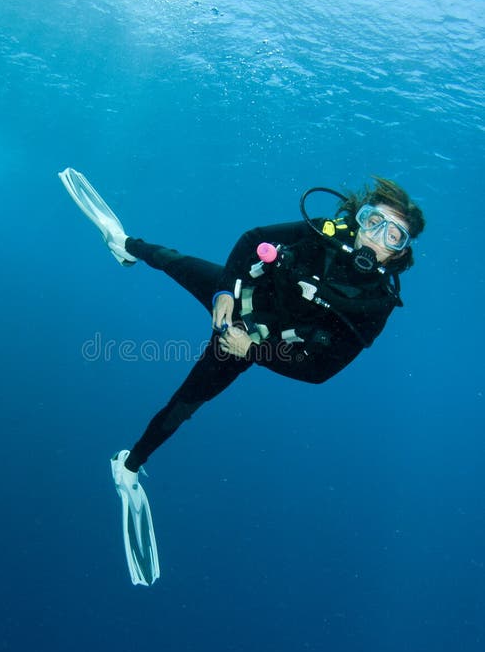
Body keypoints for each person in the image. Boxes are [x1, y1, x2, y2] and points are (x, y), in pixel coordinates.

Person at [59, 168, 425, 586]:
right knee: (172, 261)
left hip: (250, 340)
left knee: (186, 403)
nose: (377, 237)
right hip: (237, 299)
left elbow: (321, 371)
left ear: (399, 253)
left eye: (393, 235)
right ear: (358, 219)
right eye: (373, 221)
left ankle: (129, 467)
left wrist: (252, 350)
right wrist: (224, 294)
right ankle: (123, 243)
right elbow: (253, 238)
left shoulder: (376, 305)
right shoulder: (321, 233)